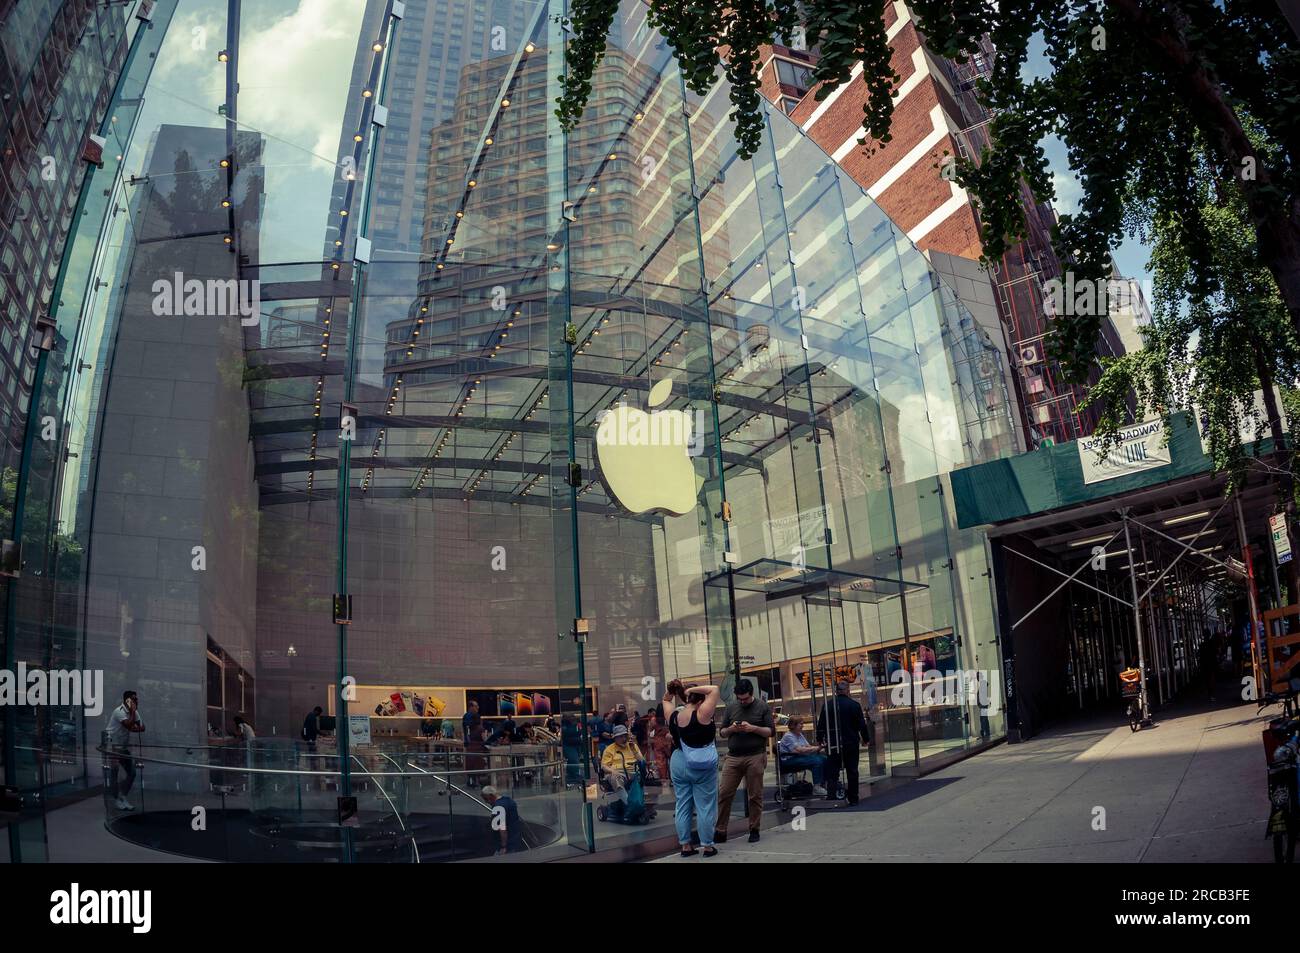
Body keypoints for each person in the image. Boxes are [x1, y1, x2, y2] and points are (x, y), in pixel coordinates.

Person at [662, 678, 720, 857]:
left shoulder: (674, 715)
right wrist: (686, 691)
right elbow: (714, 689)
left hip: (679, 760)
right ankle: (708, 846)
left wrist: (673, 691)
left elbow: (665, 700)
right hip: (702, 763)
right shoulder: (703, 713)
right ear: (701, 698)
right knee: (705, 806)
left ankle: (685, 846)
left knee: (682, 804)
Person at [715, 678, 773, 844]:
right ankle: (721, 830)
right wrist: (732, 729)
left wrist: (753, 728)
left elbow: (770, 731)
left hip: (755, 755)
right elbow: (722, 733)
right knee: (725, 793)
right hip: (733, 756)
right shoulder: (731, 707)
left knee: (754, 795)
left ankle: (754, 829)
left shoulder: (762, 706)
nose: (742, 701)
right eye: (739, 699)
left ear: (751, 694)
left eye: (745, 699)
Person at [816, 680, 872, 805]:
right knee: (852, 770)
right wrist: (866, 739)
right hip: (851, 742)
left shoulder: (828, 705)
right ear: (848, 690)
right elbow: (861, 725)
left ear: (836, 691)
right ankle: (853, 798)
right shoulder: (854, 705)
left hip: (833, 742)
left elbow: (821, 724)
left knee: (833, 770)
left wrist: (820, 739)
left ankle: (832, 796)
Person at [105, 690, 145, 811]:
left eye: (136, 699)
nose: (136, 701)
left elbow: (142, 727)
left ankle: (123, 796)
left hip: (123, 746)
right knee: (114, 772)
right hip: (112, 745)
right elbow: (128, 725)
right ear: (127, 700)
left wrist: (132, 725)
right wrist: (132, 715)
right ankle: (116, 799)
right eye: (134, 699)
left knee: (132, 773)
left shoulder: (134, 712)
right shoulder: (119, 711)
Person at [777, 715, 827, 796]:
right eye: (801, 724)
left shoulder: (799, 734)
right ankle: (817, 788)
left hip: (798, 757)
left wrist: (821, 749)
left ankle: (823, 783)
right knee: (817, 761)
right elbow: (799, 750)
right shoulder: (788, 736)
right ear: (794, 725)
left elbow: (808, 747)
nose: (803, 725)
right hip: (789, 760)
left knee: (824, 759)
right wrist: (817, 748)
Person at [600, 725, 645, 803]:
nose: (624, 739)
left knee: (644, 777)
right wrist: (612, 771)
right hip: (617, 772)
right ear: (615, 738)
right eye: (621, 737)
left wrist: (634, 750)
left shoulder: (633, 746)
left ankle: (641, 802)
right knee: (615, 778)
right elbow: (604, 766)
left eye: (625, 736)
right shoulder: (609, 749)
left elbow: (642, 761)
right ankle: (628, 803)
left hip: (633, 772)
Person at [481, 785, 525, 854]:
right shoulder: (509, 800)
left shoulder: (498, 807)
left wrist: (503, 846)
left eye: (486, 799)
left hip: (506, 845)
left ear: (491, 795)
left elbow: (502, 829)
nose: (486, 802)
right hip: (515, 840)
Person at [645, 708, 672, 782]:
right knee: (670, 760)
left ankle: (663, 779)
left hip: (658, 742)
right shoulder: (668, 717)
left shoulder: (654, 719)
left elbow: (649, 732)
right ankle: (670, 778)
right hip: (668, 741)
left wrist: (650, 741)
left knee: (661, 762)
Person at [1200, 630, 1220, 701]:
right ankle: (1211, 694)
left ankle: (1209, 693)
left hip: (1205, 664)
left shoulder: (1202, 645)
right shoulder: (1212, 643)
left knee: (1206, 679)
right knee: (1211, 679)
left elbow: (1200, 656)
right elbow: (1216, 652)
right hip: (1211, 663)